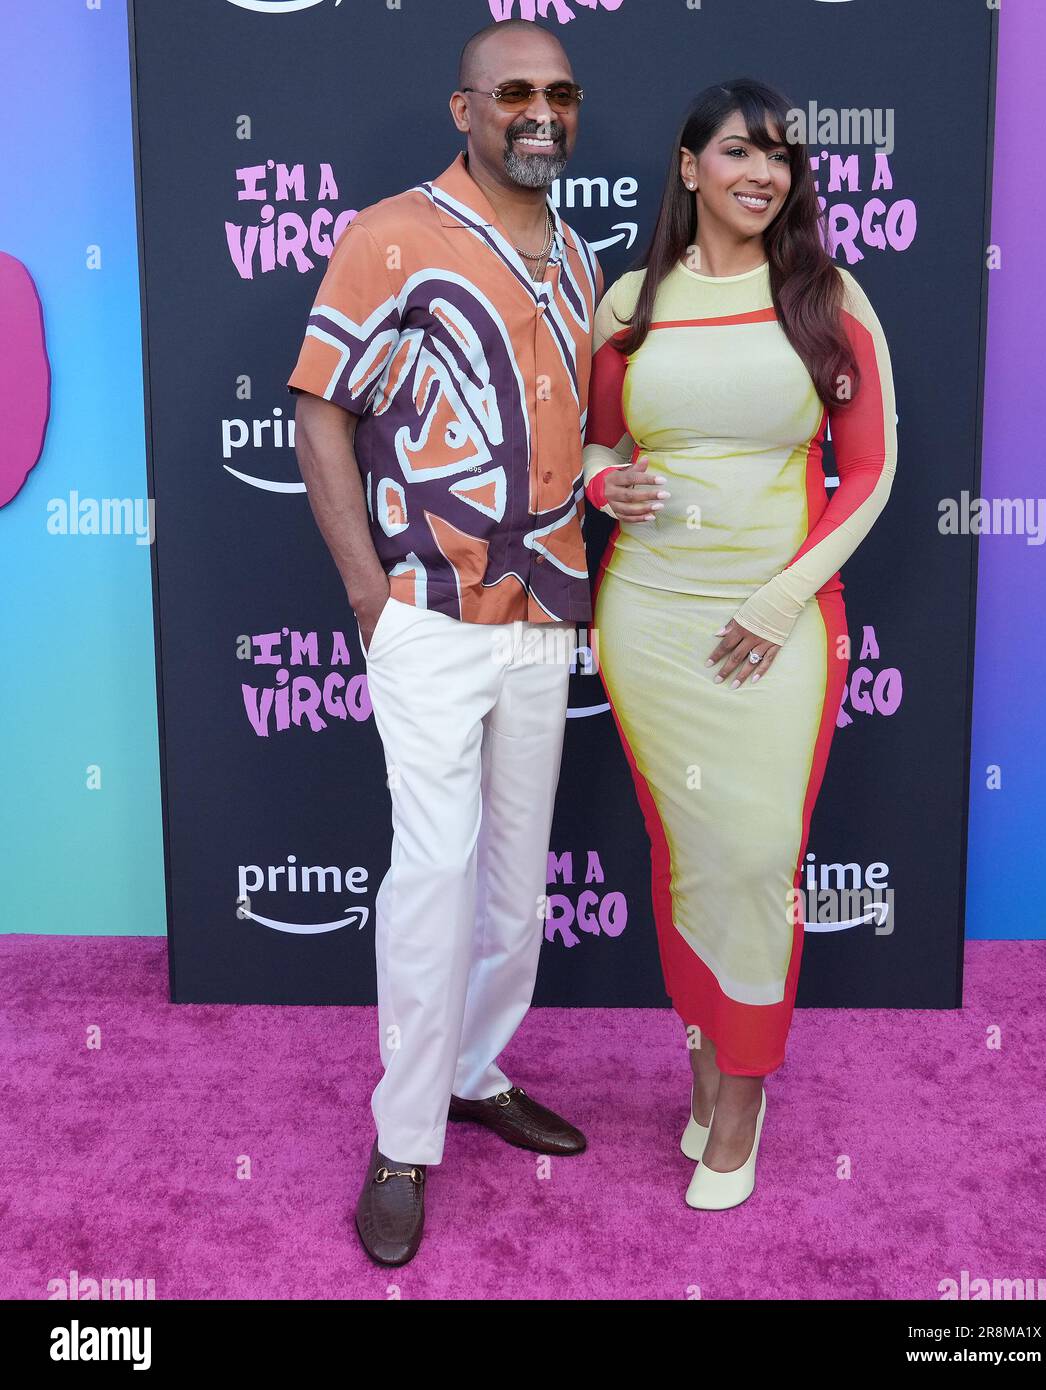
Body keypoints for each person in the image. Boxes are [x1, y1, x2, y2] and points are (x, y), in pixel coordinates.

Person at [286, 19, 602, 1266]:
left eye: (560, 93)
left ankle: (473, 1069)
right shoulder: (387, 235)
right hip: (424, 612)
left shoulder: (576, 256)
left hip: (544, 616)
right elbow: (318, 420)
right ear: (463, 108)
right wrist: (368, 595)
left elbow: (576, 428)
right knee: (431, 875)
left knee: (514, 885)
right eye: (514, 91)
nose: (541, 111)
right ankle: (403, 1135)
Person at [582, 78, 896, 1210]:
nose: (761, 173)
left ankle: (744, 1099)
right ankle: (706, 1064)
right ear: (685, 167)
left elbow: (867, 472)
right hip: (651, 620)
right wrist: (599, 482)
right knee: (690, 854)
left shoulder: (825, 293)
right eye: (735, 151)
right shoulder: (631, 299)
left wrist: (777, 602)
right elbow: (590, 444)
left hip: (776, 626)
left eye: (778, 156)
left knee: (760, 853)